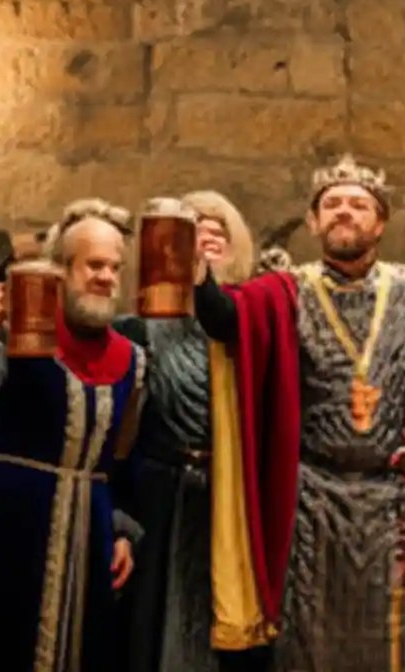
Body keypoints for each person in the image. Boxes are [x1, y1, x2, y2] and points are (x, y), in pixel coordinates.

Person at [189, 154, 405, 671]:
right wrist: (196, 274)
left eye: (359, 205)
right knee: (310, 644)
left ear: (381, 222)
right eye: (332, 204)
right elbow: (228, 319)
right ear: (313, 221)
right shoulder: (286, 290)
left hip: (394, 500)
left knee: (404, 642)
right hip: (313, 500)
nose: (344, 211)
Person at [0, 199, 144, 671]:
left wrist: (122, 529)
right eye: (94, 265)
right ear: (61, 269)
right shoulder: (21, 335)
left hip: (90, 533)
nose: (106, 277)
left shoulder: (133, 359)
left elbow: (123, 456)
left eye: (115, 267)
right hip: (10, 525)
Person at [111, 190, 269, 671]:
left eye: (219, 233)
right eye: (195, 233)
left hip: (234, 499)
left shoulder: (256, 325)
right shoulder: (138, 330)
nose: (208, 240)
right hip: (162, 496)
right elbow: (120, 433)